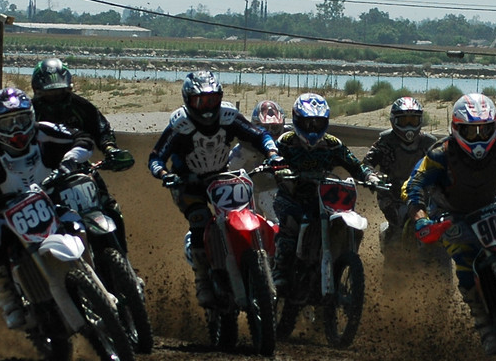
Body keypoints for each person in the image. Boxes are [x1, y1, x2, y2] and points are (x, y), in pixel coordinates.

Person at [403, 93, 496, 354]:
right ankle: (484, 324)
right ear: (456, 128)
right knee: (464, 262)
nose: (478, 137)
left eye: (483, 129)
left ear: (493, 126)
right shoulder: (439, 154)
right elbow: (413, 186)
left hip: (491, 209)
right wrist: (421, 220)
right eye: (470, 131)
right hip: (451, 216)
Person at [0, 88, 93, 329]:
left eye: (22, 121)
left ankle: (102, 277)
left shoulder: (45, 132)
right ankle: (8, 297)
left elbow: (82, 138)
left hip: (52, 201)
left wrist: (71, 158)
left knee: (83, 218)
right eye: (8, 124)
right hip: (8, 214)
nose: (16, 130)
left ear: (32, 117)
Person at [147, 71, 281, 306]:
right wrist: (164, 175)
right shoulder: (180, 123)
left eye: (212, 99)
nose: (208, 106)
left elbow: (259, 134)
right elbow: (156, 157)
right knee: (199, 222)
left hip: (222, 177)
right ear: (189, 100)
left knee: (243, 214)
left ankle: (252, 260)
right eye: (201, 101)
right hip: (188, 182)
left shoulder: (229, 116)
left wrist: (272, 153)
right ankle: (203, 281)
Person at [269, 93, 379, 291]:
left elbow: (355, 165)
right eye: (308, 123)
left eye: (318, 123)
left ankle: (343, 266)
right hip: (292, 197)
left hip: (325, 199)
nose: (313, 128)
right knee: (290, 225)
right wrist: (278, 169)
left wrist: (370, 177)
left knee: (346, 224)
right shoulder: (285, 142)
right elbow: (271, 160)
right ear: (296, 120)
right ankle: (280, 271)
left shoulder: (332, 144)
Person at [29, 57, 133, 171]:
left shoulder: (80, 106)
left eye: (60, 92)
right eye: (50, 93)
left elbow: (101, 129)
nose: (56, 97)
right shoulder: (30, 112)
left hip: (78, 164)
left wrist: (110, 148)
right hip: (39, 168)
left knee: (98, 185)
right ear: (38, 91)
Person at [363, 95, 437, 253]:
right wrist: (372, 176)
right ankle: (391, 262)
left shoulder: (429, 142)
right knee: (397, 228)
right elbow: (366, 163)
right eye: (404, 121)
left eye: (413, 120)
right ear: (394, 121)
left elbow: (445, 164)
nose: (409, 125)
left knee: (440, 225)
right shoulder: (385, 142)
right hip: (391, 194)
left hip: (424, 194)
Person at [227, 99, 286, 221]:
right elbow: (229, 170)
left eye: (274, 129)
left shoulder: (287, 144)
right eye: (264, 128)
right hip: (248, 193)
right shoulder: (244, 148)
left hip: (275, 191)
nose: (269, 133)